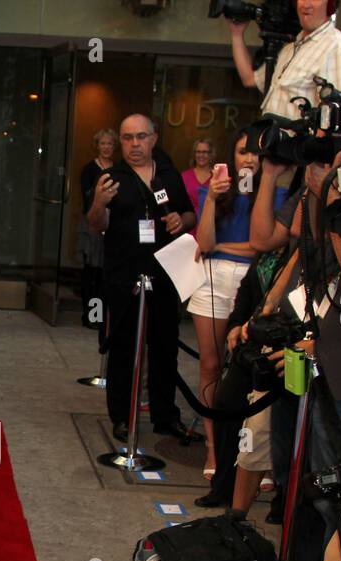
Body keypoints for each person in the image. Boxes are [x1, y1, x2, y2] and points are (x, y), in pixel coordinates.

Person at [87, 114, 196, 441]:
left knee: (164, 348)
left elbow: (189, 212)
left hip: (164, 274)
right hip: (124, 276)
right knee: (123, 348)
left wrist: (182, 219)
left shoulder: (168, 174)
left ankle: (165, 415)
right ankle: (121, 416)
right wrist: (99, 202)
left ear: (153, 138)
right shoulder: (111, 177)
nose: (134, 144)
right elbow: (96, 224)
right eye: (127, 138)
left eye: (141, 137)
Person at [189, 128, 287, 478]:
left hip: (255, 285)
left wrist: (223, 248)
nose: (248, 159)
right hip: (212, 282)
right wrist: (213, 200)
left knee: (255, 371)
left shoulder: (276, 194)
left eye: (255, 153)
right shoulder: (214, 191)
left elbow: (263, 246)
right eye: (242, 152)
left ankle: (254, 457)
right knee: (211, 366)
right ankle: (213, 450)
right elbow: (203, 241)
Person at [228, 0, 341, 120]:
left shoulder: (337, 46)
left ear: (331, 5)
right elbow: (250, 79)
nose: (306, 5)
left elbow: (335, 115)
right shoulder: (288, 50)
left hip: (299, 144)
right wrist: (237, 34)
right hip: (271, 142)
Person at [78, 129, 116, 332]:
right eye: (103, 144)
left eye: (110, 144)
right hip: (92, 225)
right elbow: (87, 201)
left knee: (104, 273)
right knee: (91, 272)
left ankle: (102, 317)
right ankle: (91, 315)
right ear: (97, 146)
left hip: (113, 225)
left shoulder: (119, 169)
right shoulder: (89, 170)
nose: (107, 147)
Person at [182, 139, 215, 222]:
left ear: (211, 154)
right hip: (189, 226)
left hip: (211, 224)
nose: (201, 155)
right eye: (198, 152)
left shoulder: (217, 177)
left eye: (205, 152)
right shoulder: (184, 176)